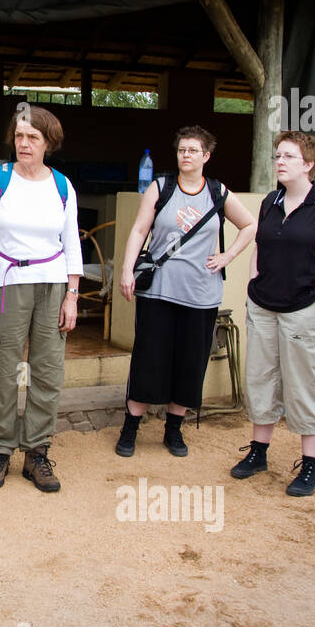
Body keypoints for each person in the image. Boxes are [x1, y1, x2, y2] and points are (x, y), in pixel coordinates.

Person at [231, 130, 315, 496]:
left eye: (288, 157)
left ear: (308, 164)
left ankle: (309, 466)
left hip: (306, 311)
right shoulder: (271, 201)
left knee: (305, 387)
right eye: (277, 156)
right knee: (260, 380)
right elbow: (261, 245)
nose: (279, 162)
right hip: (264, 306)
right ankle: (258, 452)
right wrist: (254, 280)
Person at [115, 126, 257, 457]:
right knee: (149, 359)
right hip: (159, 291)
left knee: (190, 362)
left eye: (193, 150)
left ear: (206, 156)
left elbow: (250, 224)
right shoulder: (160, 187)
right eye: (182, 150)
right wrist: (126, 269)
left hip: (201, 294)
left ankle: (173, 429)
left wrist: (228, 255)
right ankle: (130, 427)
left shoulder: (218, 192)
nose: (186, 155)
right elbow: (139, 230)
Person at [0, 105, 83, 491]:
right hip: (7, 282)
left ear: (48, 142)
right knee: (4, 369)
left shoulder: (62, 186)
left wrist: (72, 296)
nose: (24, 143)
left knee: (47, 371)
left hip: (52, 283)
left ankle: (36, 452)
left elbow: (71, 245)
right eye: (19, 136)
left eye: (33, 137)